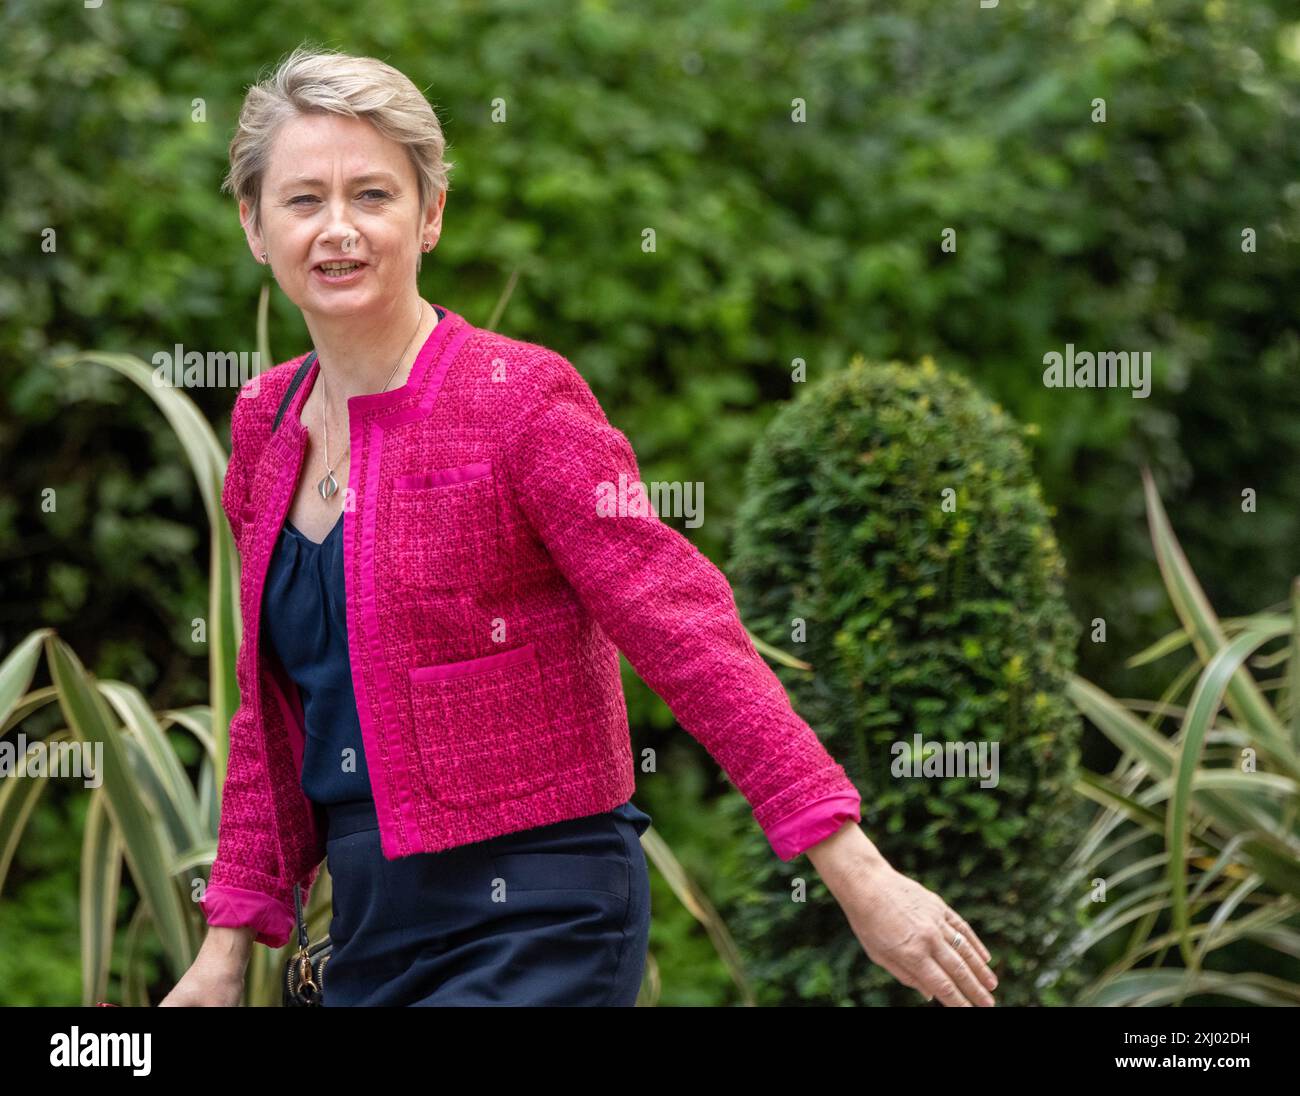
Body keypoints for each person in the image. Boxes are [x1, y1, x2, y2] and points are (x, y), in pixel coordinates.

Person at [161, 45, 997, 1007]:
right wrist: (224, 954)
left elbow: (681, 625)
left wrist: (852, 865)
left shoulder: (519, 401)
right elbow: (273, 716)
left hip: (541, 913)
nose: (339, 229)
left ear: (430, 216)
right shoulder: (264, 429)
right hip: (370, 926)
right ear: (254, 225)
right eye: (304, 199)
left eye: (375, 196)